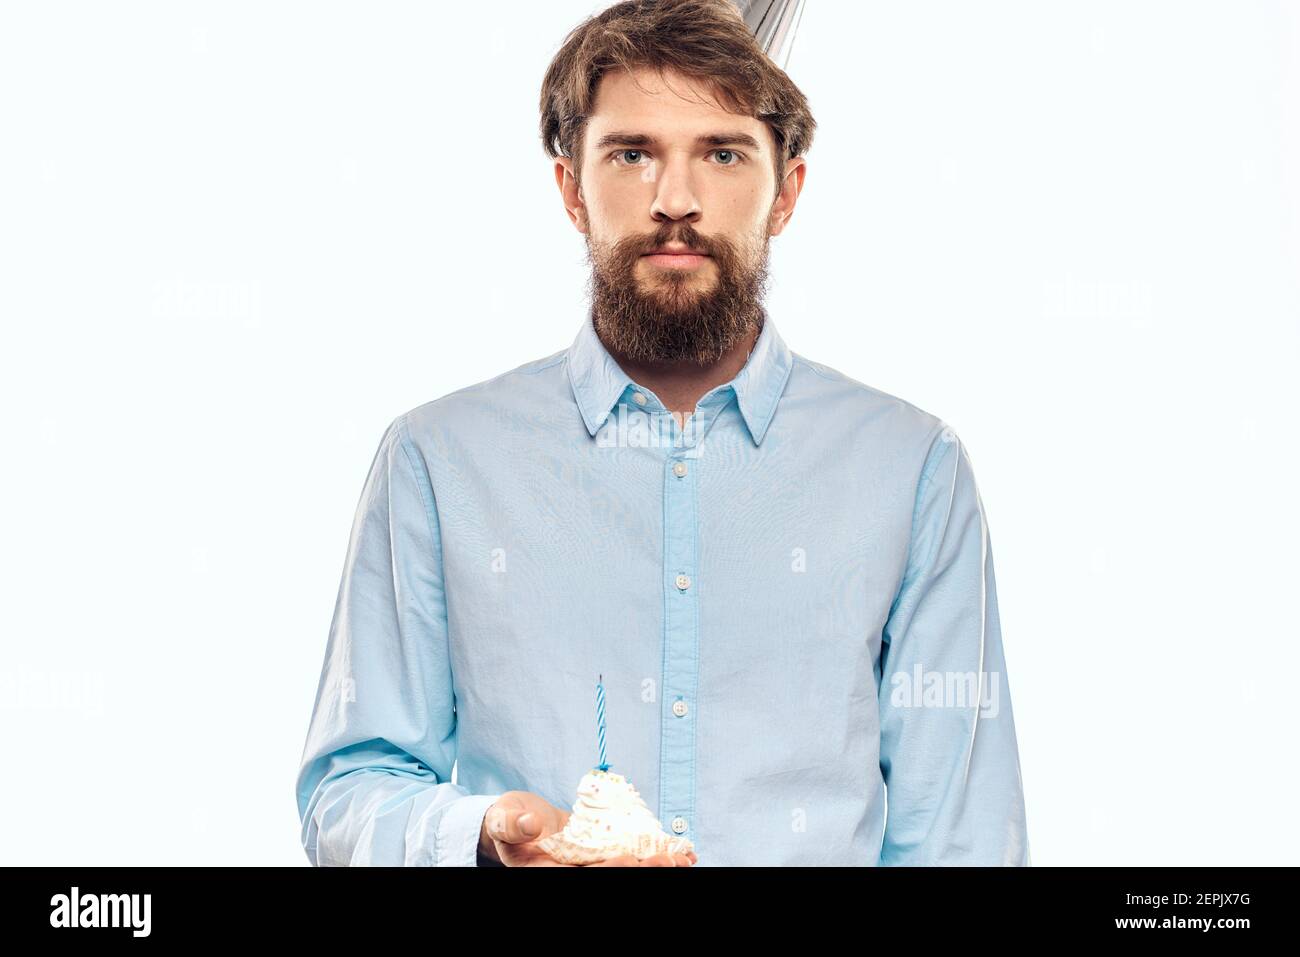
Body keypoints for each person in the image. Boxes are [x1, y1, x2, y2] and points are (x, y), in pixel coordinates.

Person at [295, 0, 1029, 867]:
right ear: (571, 187)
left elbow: (960, 841)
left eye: (722, 153)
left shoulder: (914, 471)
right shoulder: (435, 461)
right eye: (632, 153)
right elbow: (348, 790)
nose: (674, 201)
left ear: (786, 190)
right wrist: (481, 836)